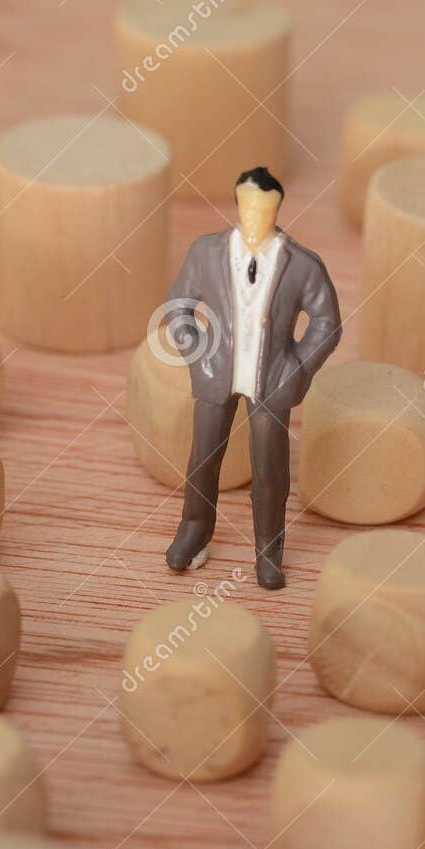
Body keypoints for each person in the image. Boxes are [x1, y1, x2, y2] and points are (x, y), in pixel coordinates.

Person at [163, 167, 342, 589]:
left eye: (264, 205)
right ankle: (193, 529)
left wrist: (296, 368)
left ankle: (268, 551)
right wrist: (199, 356)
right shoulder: (206, 252)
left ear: (277, 207)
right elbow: (178, 305)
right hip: (216, 376)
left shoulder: (300, 264)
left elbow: (327, 322)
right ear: (237, 203)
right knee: (203, 459)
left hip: (272, 382)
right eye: (247, 203)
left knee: (270, 469)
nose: (254, 213)